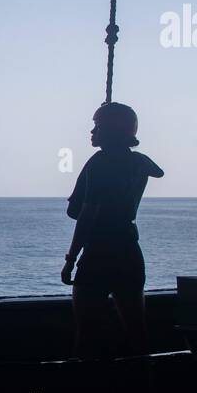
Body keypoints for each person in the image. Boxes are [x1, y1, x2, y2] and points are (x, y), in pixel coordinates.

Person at [61, 101, 164, 358]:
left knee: (87, 333)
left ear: (110, 131)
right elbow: (158, 171)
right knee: (137, 332)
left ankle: (88, 391)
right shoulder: (139, 162)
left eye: (97, 127)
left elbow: (87, 215)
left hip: (99, 254)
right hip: (129, 251)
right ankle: (144, 390)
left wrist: (71, 259)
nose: (92, 132)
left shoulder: (100, 164)